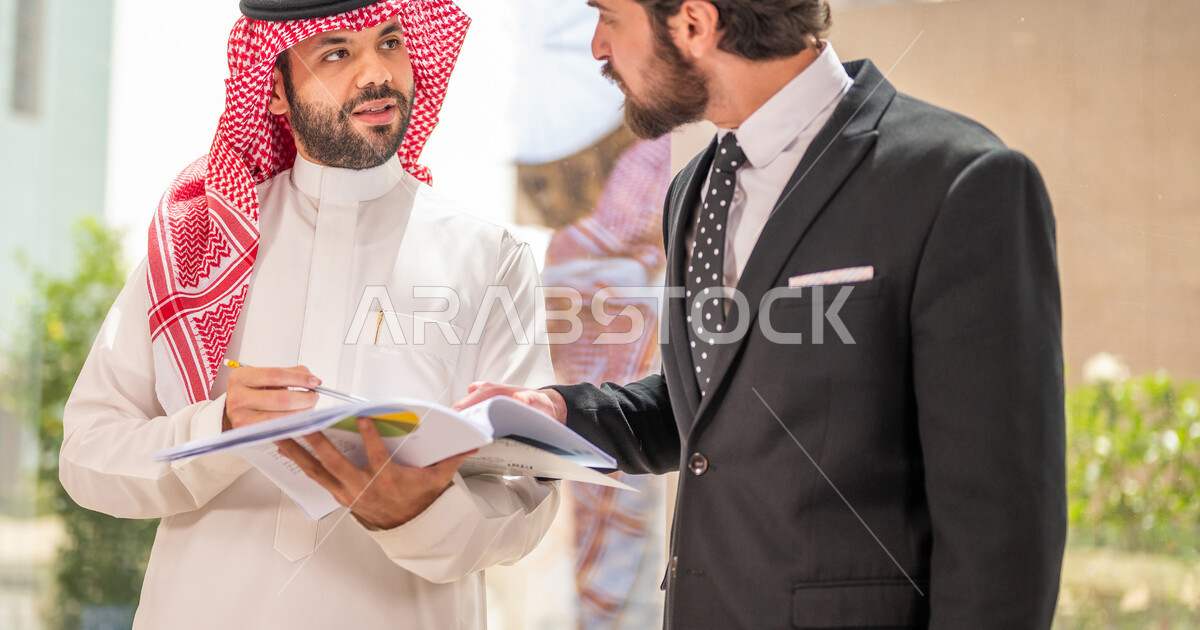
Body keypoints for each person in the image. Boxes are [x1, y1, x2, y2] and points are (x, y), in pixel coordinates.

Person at [455, 0, 1067, 627]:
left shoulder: (960, 182)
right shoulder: (692, 189)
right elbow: (710, 409)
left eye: (609, 17)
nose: (597, 47)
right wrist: (560, 412)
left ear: (694, 23)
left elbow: (1004, 530)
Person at [59, 1, 559, 628]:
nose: (376, 73)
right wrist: (219, 429)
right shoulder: (202, 241)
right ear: (272, 89)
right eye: (337, 52)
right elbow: (87, 456)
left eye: (391, 43)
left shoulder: (489, 258)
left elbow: (528, 497)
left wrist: (416, 513)